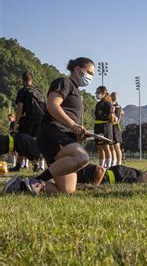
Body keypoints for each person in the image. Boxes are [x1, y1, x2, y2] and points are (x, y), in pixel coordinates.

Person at [4, 57, 95, 194]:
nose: (91, 77)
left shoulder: (76, 91)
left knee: (66, 191)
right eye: (90, 72)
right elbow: (52, 105)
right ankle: (37, 180)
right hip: (53, 132)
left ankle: (21, 185)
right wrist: (73, 125)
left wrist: (76, 132)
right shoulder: (64, 82)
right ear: (78, 69)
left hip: (65, 135)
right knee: (82, 157)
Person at [12, 72, 46, 172]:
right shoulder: (39, 91)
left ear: (22, 80)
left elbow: (20, 108)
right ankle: (35, 165)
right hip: (40, 122)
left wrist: (15, 123)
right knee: (35, 143)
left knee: (22, 142)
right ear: (32, 79)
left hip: (27, 121)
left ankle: (18, 166)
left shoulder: (23, 91)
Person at [75, 163, 147, 186]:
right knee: (145, 175)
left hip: (118, 175)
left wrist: (94, 185)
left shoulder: (76, 167)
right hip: (117, 174)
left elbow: (100, 170)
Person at [94, 86, 114, 168]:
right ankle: (101, 166)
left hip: (105, 127)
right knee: (100, 147)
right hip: (97, 126)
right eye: (96, 93)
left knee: (106, 147)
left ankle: (108, 166)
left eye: (98, 92)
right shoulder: (98, 104)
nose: (97, 94)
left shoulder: (108, 103)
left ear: (104, 93)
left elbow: (110, 116)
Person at [110, 92, 124, 166]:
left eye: (115, 96)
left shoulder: (118, 107)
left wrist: (112, 112)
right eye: (112, 95)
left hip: (115, 128)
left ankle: (119, 163)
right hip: (109, 128)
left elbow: (116, 119)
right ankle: (113, 162)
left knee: (117, 146)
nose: (114, 97)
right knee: (111, 146)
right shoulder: (108, 105)